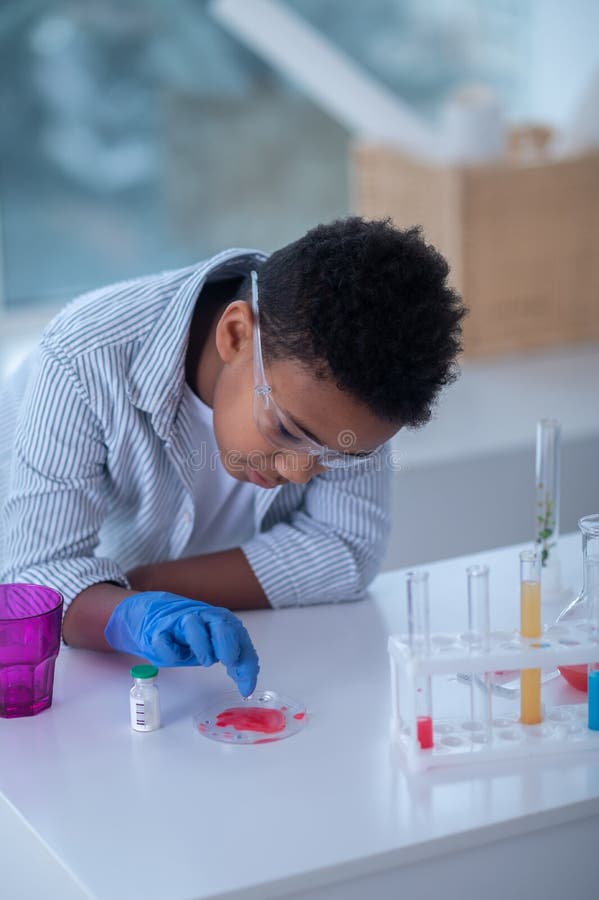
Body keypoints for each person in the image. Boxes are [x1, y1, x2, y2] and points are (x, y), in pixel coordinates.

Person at [0, 217, 466, 697]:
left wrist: (144, 588)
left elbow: (345, 549)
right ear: (237, 335)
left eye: (343, 455)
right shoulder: (85, 356)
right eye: (287, 431)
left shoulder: (356, 383)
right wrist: (131, 612)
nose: (301, 471)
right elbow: (34, 583)